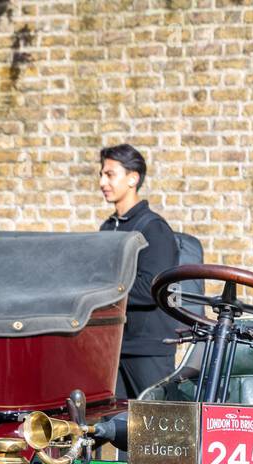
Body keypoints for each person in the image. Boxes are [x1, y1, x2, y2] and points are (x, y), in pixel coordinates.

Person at [98, 143, 179, 398]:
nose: (102, 182)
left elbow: (152, 288)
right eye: (101, 174)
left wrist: (102, 292)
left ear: (132, 178)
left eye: (110, 174)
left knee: (159, 430)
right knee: (116, 430)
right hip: (115, 346)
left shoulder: (154, 229)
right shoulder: (107, 228)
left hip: (147, 349)